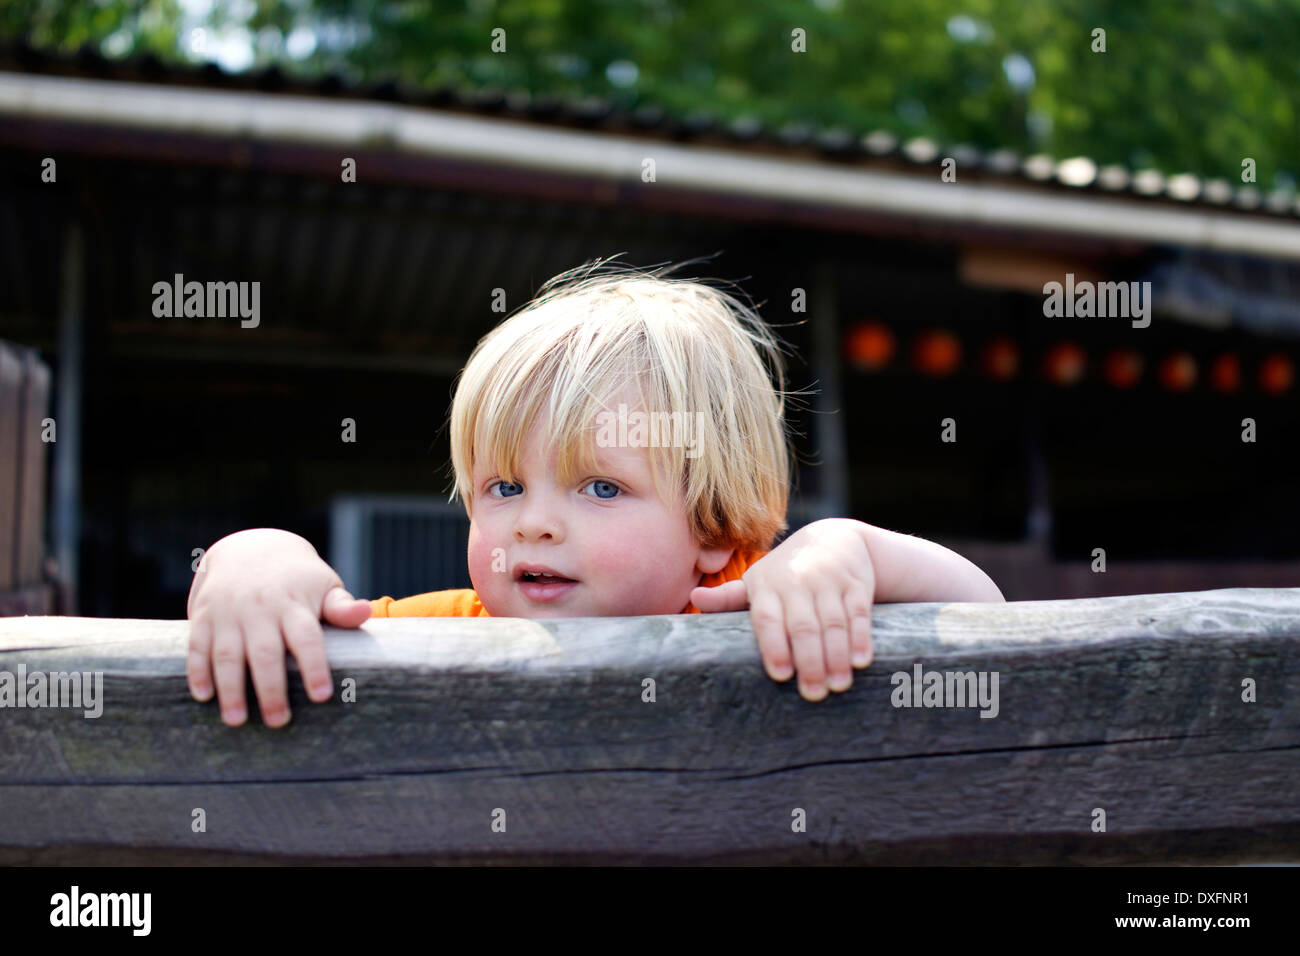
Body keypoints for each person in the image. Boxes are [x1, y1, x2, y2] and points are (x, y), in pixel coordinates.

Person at [186, 256, 1003, 728]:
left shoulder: (744, 609)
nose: (535, 524)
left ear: (714, 531)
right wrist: (256, 557)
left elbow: (988, 616)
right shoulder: (452, 631)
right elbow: (311, 622)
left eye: (601, 488)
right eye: (504, 485)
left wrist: (842, 548)